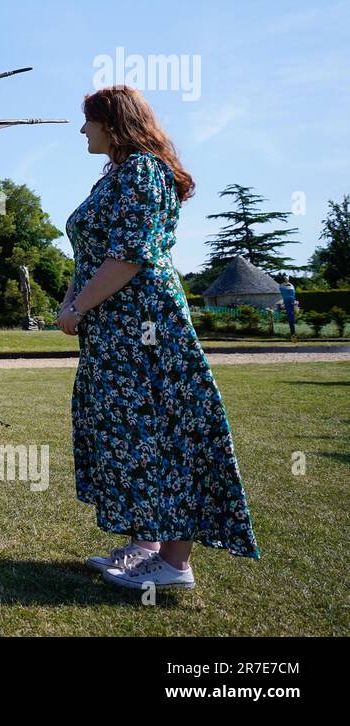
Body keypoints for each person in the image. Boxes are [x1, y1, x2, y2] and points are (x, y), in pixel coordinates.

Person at [60, 85, 259, 591]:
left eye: (89, 120)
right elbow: (91, 251)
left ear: (114, 123)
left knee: (162, 430)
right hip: (115, 332)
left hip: (145, 328)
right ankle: (145, 543)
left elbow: (131, 254)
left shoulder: (144, 171)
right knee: (130, 432)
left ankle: (174, 563)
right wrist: (71, 301)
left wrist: (81, 306)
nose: (83, 130)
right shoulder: (116, 177)